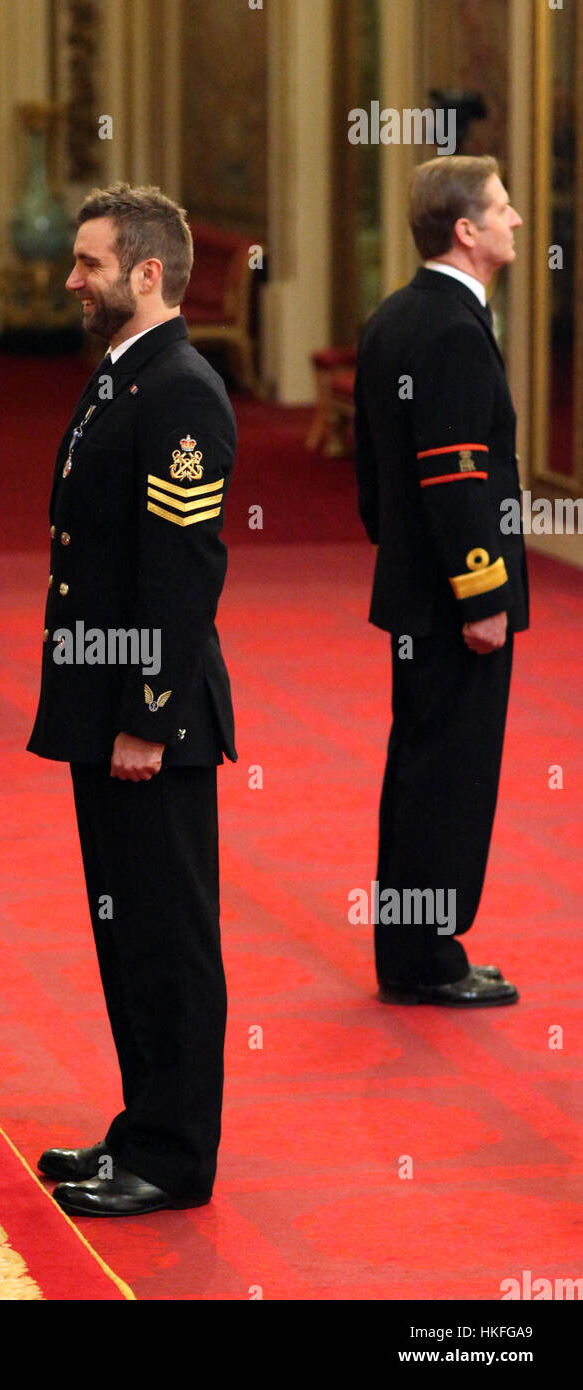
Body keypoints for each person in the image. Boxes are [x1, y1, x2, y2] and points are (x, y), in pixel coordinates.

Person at [28, 184, 238, 1215]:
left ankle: (172, 1155)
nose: (71, 280)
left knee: (168, 937)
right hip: (101, 699)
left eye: (88, 263)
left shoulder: (181, 389)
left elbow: (182, 573)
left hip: (148, 714)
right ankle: (137, 1129)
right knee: (127, 933)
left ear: (145, 273)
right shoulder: (122, 377)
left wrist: (148, 715)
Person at [353, 155, 528, 1006]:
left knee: (421, 768)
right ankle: (424, 956)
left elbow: (374, 483)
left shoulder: (395, 318)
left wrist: (413, 568)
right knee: (448, 776)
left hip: (417, 591)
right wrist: (482, 596)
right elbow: (459, 481)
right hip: (458, 602)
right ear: (466, 229)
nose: (517, 221)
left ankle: (414, 945)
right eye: (502, 208)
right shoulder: (454, 330)